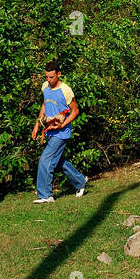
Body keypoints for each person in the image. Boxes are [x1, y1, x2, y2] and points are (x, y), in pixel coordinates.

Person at [31, 59, 87, 203]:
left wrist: (63, 125)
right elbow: (45, 104)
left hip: (61, 133)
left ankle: (45, 195)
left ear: (59, 74)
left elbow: (75, 111)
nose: (49, 80)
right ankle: (80, 181)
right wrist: (38, 124)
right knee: (59, 161)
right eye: (46, 77)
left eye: (52, 77)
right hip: (50, 131)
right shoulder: (45, 87)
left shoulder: (66, 90)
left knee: (45, 160)